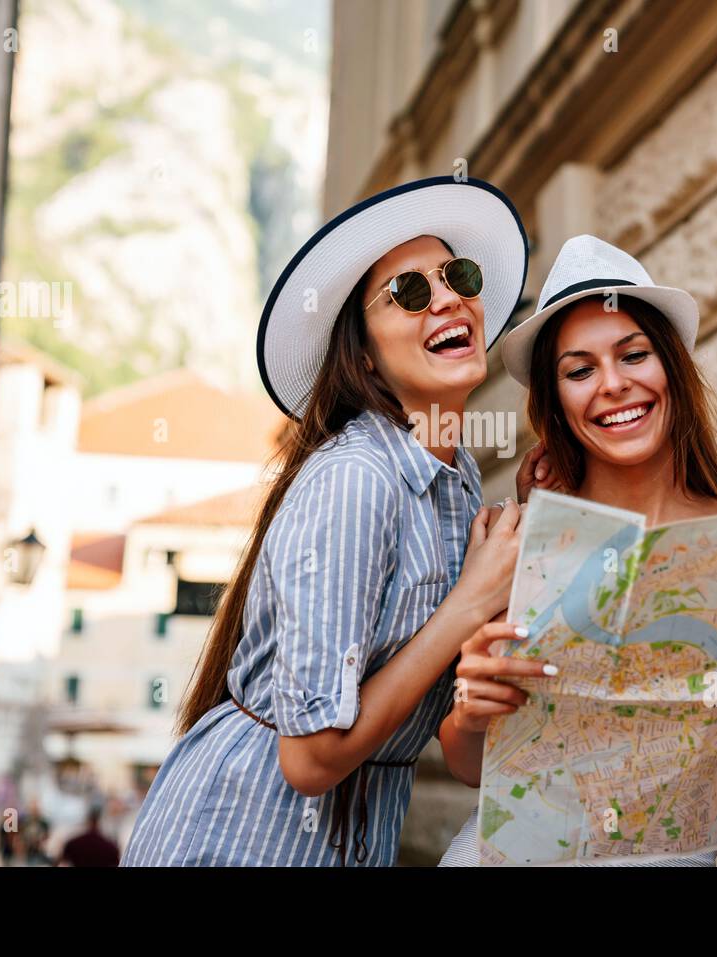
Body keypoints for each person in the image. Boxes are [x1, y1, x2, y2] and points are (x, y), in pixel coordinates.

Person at [122, 176, 529, 866]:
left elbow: (458, 725)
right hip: (240, 840)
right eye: (408, 291)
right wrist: (468, 606)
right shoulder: (356, 479)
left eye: (457, 274)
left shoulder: (457, 480)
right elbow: (309, 759)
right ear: (363, 352)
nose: (451, 297)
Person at [437, 235, 717, 866]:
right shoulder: (522, 539)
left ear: (671, 368)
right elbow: (472, 767)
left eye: (634, 355)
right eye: (579, 370)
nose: (612, 385)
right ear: (556, 401)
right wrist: (472, 710)